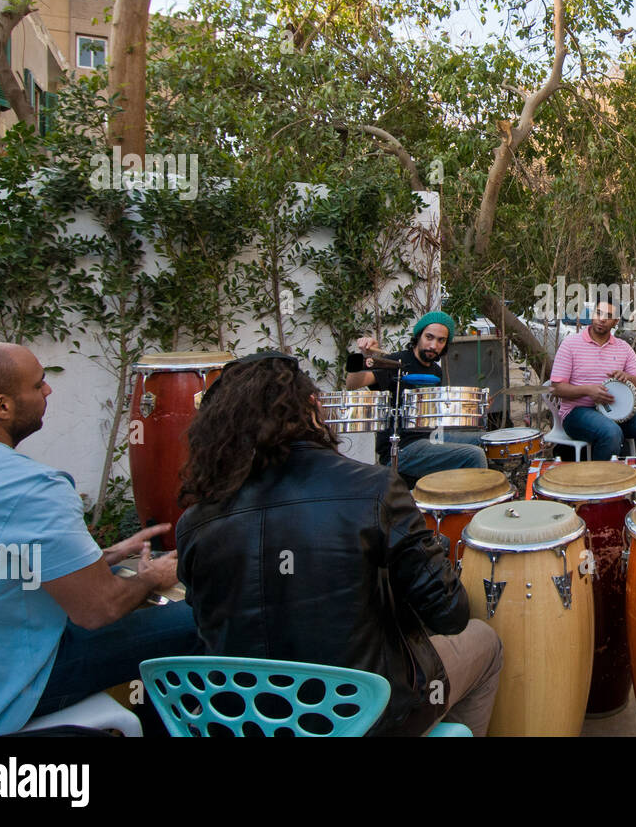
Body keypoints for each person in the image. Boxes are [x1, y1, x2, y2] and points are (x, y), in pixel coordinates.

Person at [176, 351, 503, 736]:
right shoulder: (373, 488)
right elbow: (451, 614)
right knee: (485, 642)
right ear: (314, 408)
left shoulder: (194, 523)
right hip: (361, 719)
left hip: (244, 723)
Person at [0, 342, 199, 736]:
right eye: (38, 384)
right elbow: (98, 611)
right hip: (6, 689)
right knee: (199, 618)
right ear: (2, 406)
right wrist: (154, 576)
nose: (48, 391)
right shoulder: (29, 486)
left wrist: (105, 556)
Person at [550, 300, 636, 492]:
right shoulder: (571, 344)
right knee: (611, 432)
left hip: (615, 414)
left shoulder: (623, 348)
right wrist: (588, 390)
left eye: (608, 316)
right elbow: (557, 388)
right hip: (578, 412)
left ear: (616, 321)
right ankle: (600, 493)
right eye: (598, 313)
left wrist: (628, 377)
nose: (601, 320)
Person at [345, 311, 487, 479]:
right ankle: (476, 502)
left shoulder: (436, 371)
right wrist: (363, 356)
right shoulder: (395, 363)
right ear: (418, 336)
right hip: (402, 446)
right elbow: (352, 383)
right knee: (474, 454)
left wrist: (472, 407)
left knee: (486, 439)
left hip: (432, 436)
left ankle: (456, 494)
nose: (434, 345)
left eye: (441, 340)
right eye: (429, 337)